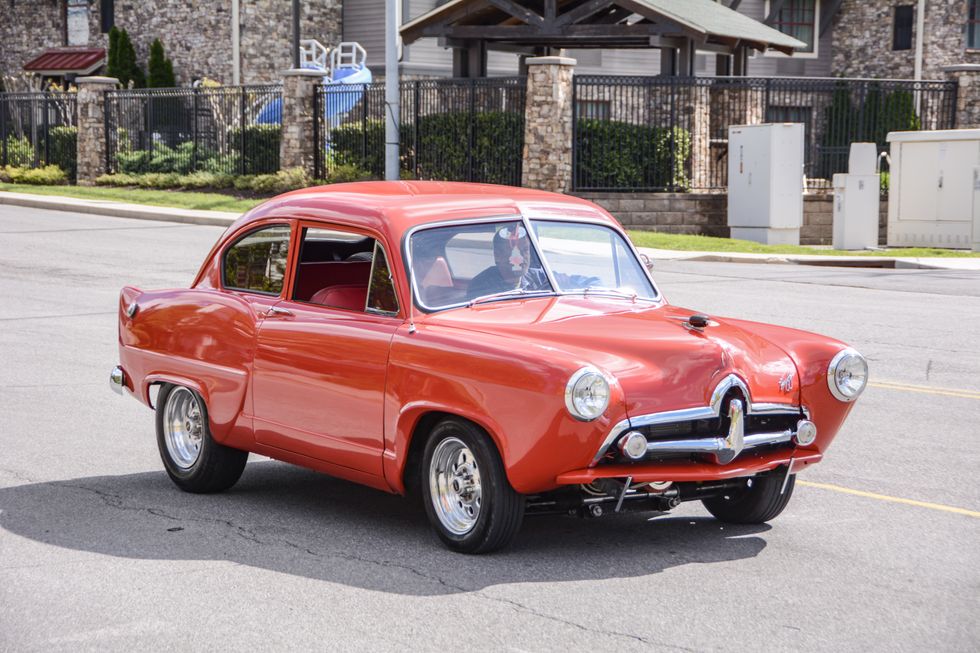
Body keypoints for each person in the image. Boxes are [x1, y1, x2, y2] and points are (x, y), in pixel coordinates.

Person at [466, 224, 551, 300]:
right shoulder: (481, 286)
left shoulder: (540, 277)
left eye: (525, 250)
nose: (521, 257)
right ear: (498, 256)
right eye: (514, 252)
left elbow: (562, 283)